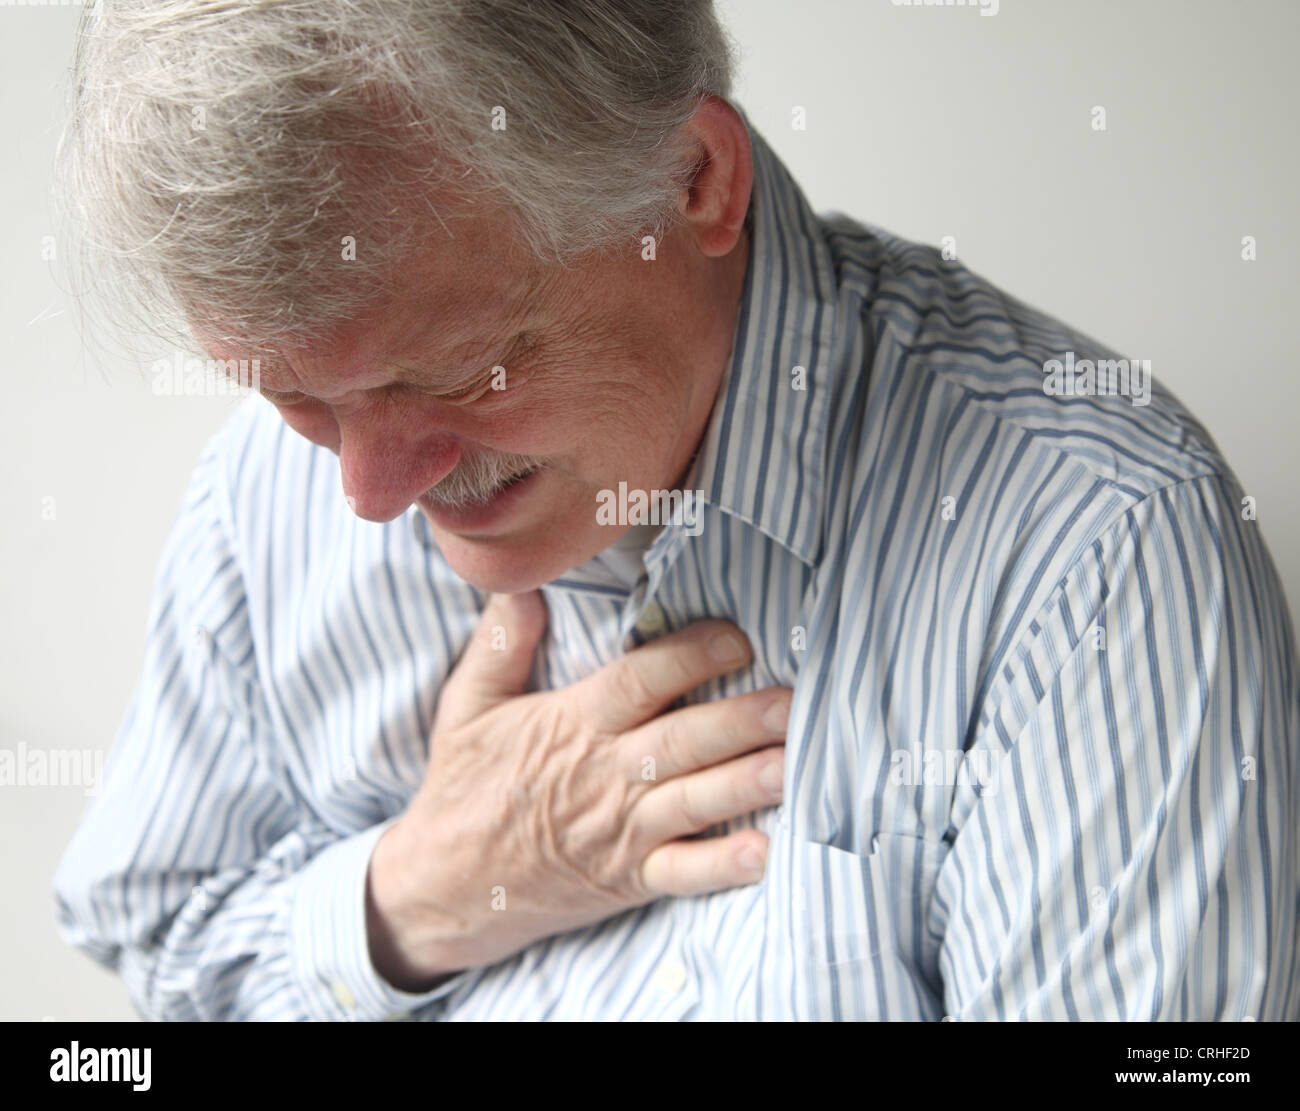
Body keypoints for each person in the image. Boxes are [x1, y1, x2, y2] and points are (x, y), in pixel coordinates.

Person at [54, 0, 1298, 1020]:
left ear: (692, 180)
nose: (370, 494)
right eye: (295, 399)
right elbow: (162, 940)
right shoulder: (259, 493)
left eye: (455, 374)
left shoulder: (1098, 555)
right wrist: (413, 898)